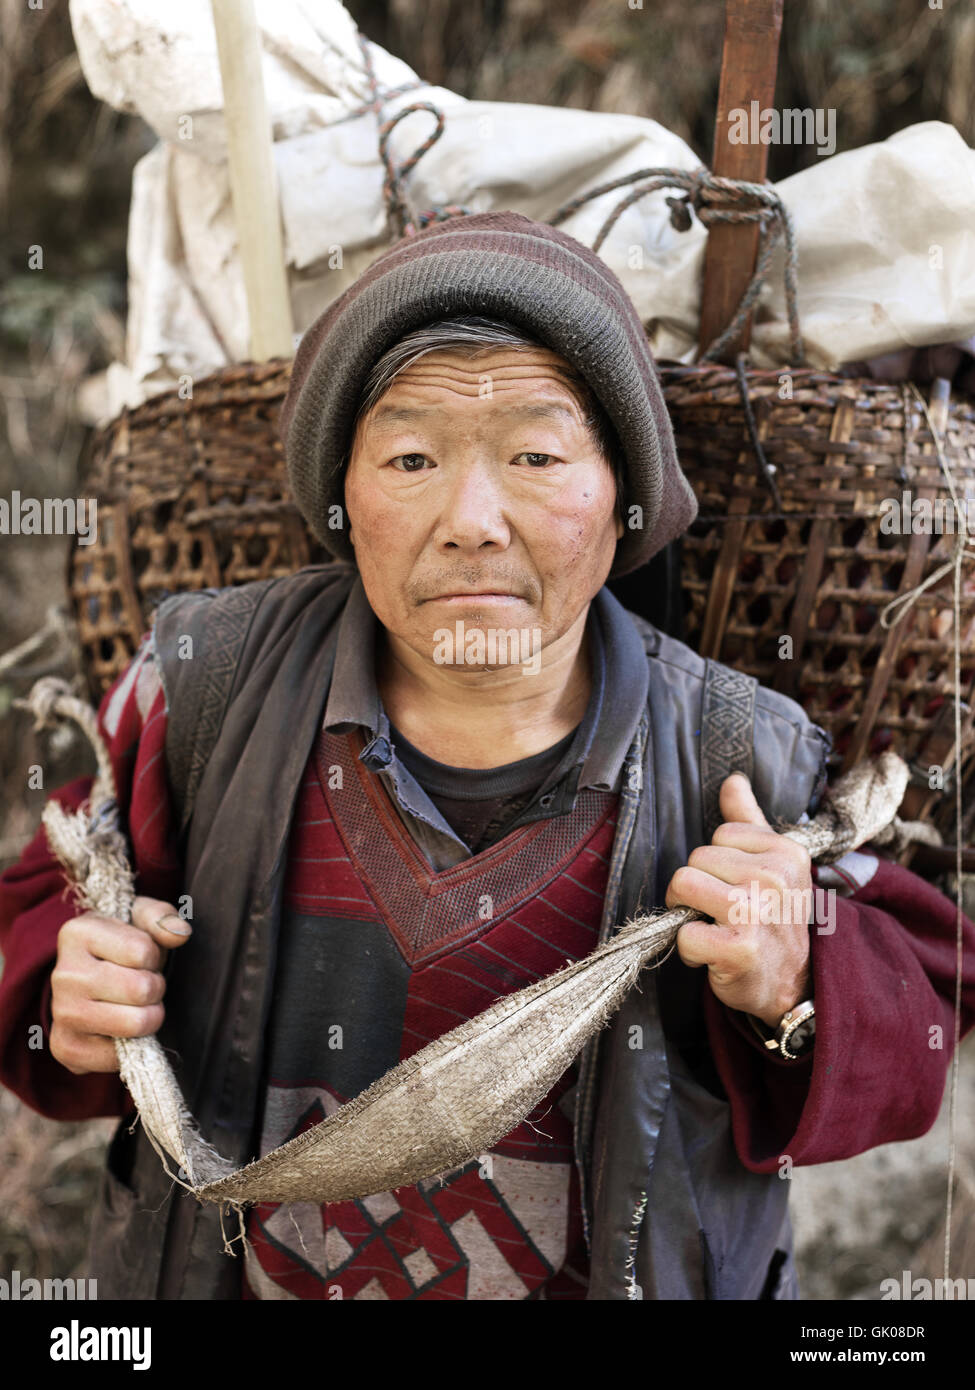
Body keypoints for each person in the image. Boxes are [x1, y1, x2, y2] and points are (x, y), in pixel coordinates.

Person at [1, 211, 972, 1301]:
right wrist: (70, 994)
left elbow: (928, 1021)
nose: (473, 518)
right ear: (346, 503)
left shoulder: (742, 756)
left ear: (622, 503)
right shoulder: (206, 690)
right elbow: (32, 934)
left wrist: (798, 979)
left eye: (536, 455)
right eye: (412, 456)